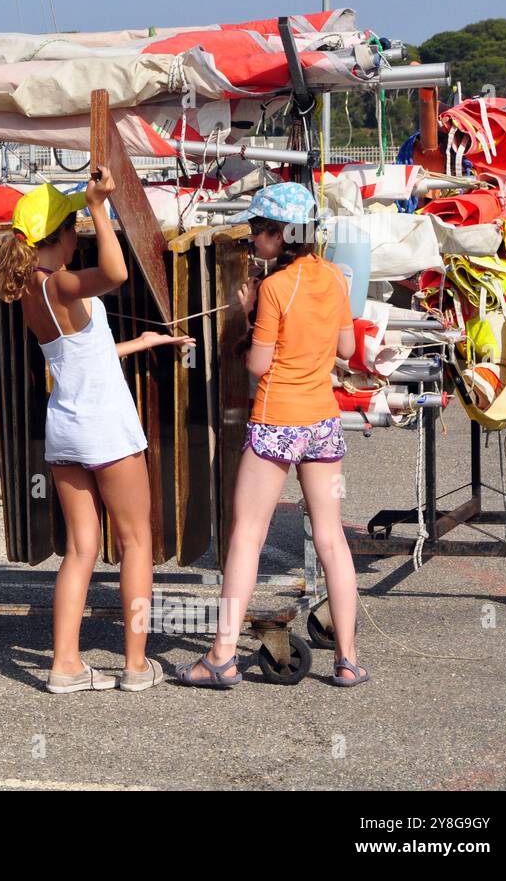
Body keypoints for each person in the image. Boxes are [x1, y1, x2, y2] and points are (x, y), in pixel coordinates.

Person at [0, 175, 191, 694]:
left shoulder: (31, 292)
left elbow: (80, 354)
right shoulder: (57, 282)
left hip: (65, 427)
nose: (79, 235)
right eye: (75, 227)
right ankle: (135, 663)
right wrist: (101, 208)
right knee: (136, 542)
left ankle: (65, 664)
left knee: (81, 550)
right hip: (105, 427)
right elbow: (116, 272)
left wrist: (141, 342)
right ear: (60, 237)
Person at [176, 182, 367, 688]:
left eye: (258, 232)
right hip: (322, 422)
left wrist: (245, 313)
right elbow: (347, 349)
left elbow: (259, 363)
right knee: (331, 538)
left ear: (281, 235)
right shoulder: (333, 277)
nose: (252, 241)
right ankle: (347, 659)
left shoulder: (276, 289)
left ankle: (221, 656)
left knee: (246, 537)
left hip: (277, 418)